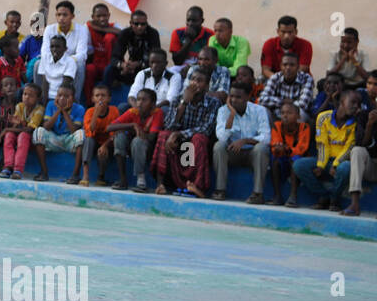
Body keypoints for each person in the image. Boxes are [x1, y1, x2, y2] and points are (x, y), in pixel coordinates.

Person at [153, 68, 220, 197]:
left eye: (199, 81)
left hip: (195, 141)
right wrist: (184, 103)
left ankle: (196, 186)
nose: (194, 83)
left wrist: (180, 134)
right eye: (193, 80)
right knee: (164, 135)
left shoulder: (213, 103)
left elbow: (206, 128)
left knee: (198, 139)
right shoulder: (178, 99)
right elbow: (169, 125)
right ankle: (161, 184)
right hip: (178, 141)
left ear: (207, 86)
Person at [293, 89, 363, 211]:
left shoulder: (355, 122)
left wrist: (336, 164)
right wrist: (321, 165)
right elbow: (322, 144)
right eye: (352, 102)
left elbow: (350, 147)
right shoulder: (323, 117)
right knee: (299, 165)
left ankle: (334, 199)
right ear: (342, 101)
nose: (356, 106)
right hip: (324, 159)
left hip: (341, 162)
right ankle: (323, 195)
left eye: (358, 104)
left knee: (346, 167)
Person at [212, 81, 271, 203]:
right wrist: (232, 115)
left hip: (251, 154)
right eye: (231, 96)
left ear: (248, 97)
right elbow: (222, 137)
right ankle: (220, 190)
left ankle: (257, 194)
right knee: (219, 146)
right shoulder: (223, 111)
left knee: (261, 148)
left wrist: (245, 141)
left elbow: (266, 137)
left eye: (238, 97)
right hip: (232, 153)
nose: (233, 100)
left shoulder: (259, 110)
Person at [107, 87, 164, 192]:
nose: (140, 103)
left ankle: (141, 181)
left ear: (153, 103)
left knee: (138, 141)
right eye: (138, 99)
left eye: (144, 100)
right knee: (119, 137)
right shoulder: (133, 111)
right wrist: (132, 125)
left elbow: (151, 137)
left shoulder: (157, 113)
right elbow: (109, 127)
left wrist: (139, 132)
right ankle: (123, 180)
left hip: (150, 149)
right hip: (132, 147)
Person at [346, 90, 377, 217]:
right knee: (357, 151)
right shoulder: (365, 115)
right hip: (369, 166)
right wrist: (370, 124)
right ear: (375, 100)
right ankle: (354, 203)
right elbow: (361, 143)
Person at [33, 81, 85, 182]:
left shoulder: (79, 108)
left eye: (66, 96)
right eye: (59, 95)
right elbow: (46, 126)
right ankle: (44, 172)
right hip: (54, 139)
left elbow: (74, 130)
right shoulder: (51, 105)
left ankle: (75, 175)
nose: (62, 98)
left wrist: (64, 111)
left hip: (69, 140)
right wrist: (58, 110)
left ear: (73, 98)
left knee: (81, 134)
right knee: (39, 131)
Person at [0, 82, 45, 180]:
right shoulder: (19, 106)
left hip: (32, 139)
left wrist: (7, 128)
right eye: (25, 94)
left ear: (38, 99)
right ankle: (8, 166)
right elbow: (18, 125)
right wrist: (15, 123)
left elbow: (29, 129)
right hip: (20, 133)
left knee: (23, 136)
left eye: (31, 95)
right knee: (9, 136)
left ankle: (18, 170)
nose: (27, 97)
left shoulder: (39, 109)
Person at [268, 101, 310, 206]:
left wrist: (286, 149)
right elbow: (275, 145)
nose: (285, 116)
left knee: (295, 160)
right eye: (282, 113)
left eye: (289, 113)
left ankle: (293, 196)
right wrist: (279, 149)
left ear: (298, 116)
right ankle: (277, 196)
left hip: (296, 159)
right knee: (275, 161)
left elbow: (301, 148)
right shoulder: (277, 126)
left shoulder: (304, 127)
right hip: (282, 158)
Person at [258, 53, 316, 123]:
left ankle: (299, 134)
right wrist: (282, 101)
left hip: (296, 114)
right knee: (263, 111)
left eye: (292, 65)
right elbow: (262, 99)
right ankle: (270, 133)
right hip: (277, 113)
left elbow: (303, 104)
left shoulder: (306, 78)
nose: (288, 68)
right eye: (285, 65)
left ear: (298, 67)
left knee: (300, 114)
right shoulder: (275, 77)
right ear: (281, 66)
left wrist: (284, 107)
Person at [169, 6, 211, 73]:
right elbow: (177, 62)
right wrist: (189, 40)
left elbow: (210, 60)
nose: (190, 24)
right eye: (188, 20)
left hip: (202, 67)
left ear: (202, 21)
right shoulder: (177, 33)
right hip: (182, 67)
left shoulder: (210, 35)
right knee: (171, 72)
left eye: (194, 21)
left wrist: (192, 67)